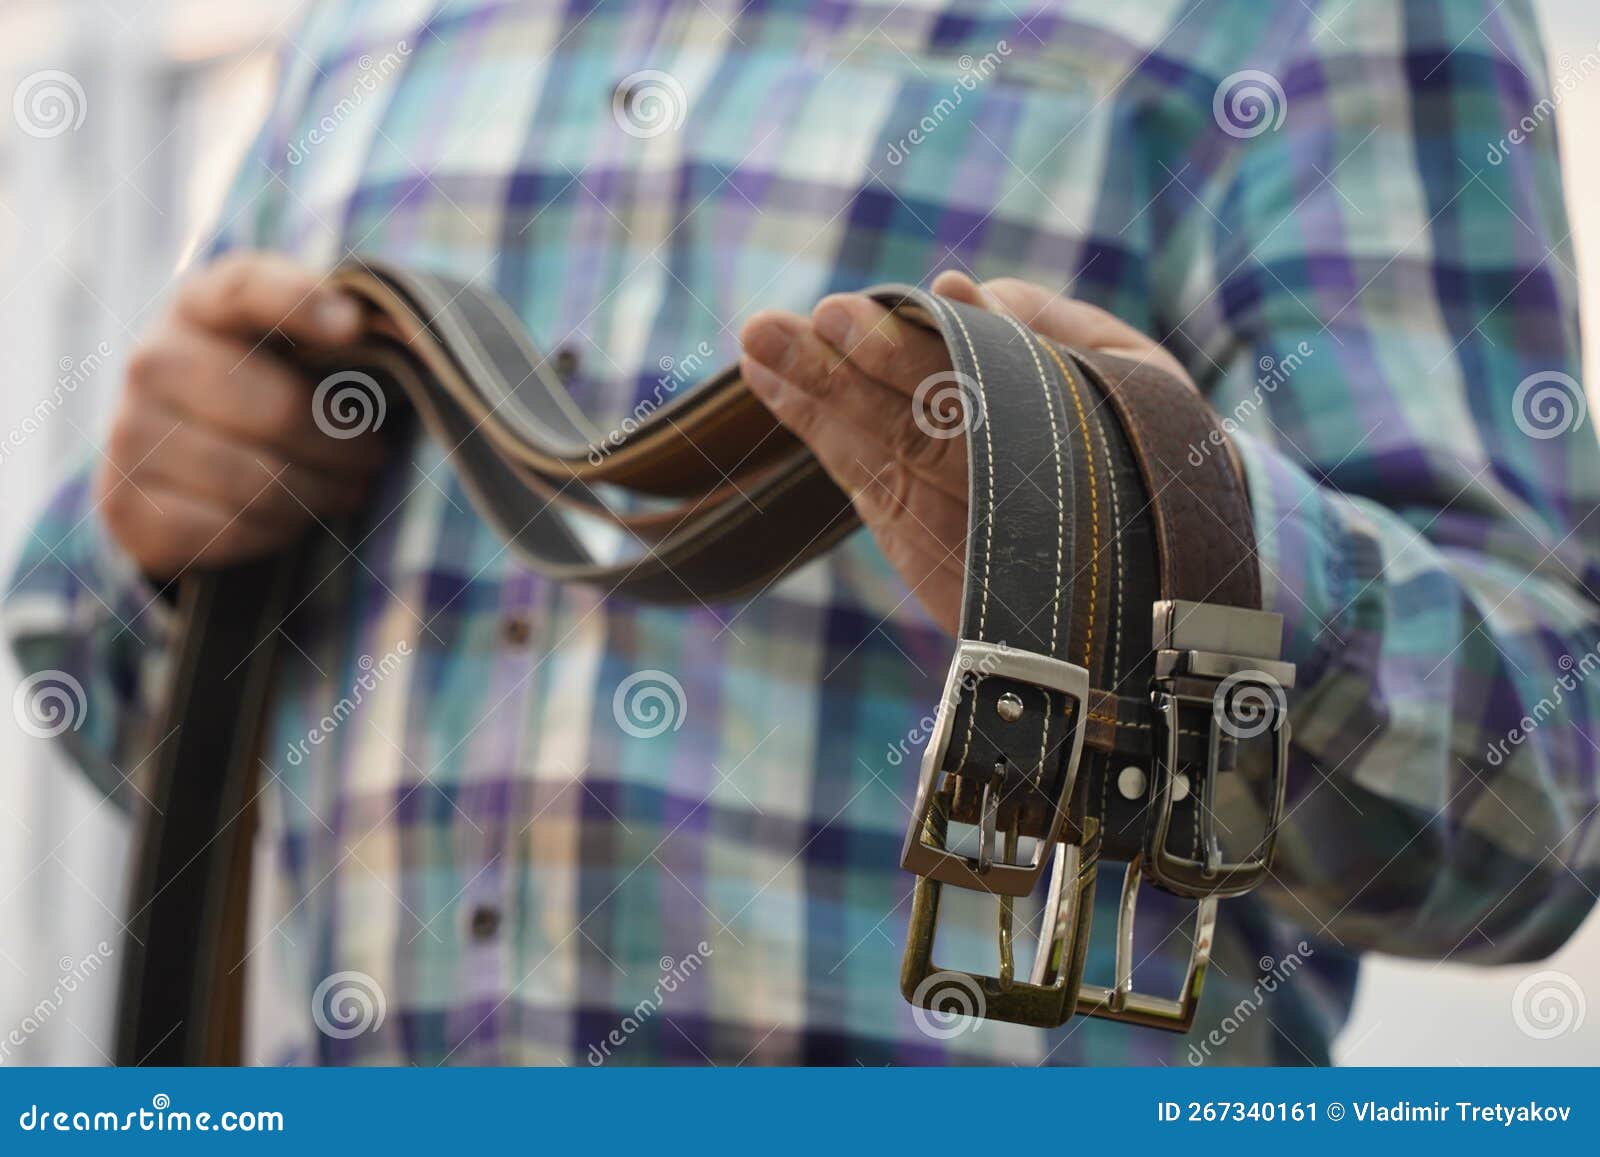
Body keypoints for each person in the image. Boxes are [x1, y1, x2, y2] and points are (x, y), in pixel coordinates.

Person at [7, 0, 1598, 1066]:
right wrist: (151, 547)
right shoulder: (371, 25)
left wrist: (1191, 586)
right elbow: (131, 699)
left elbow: (1544, 804)